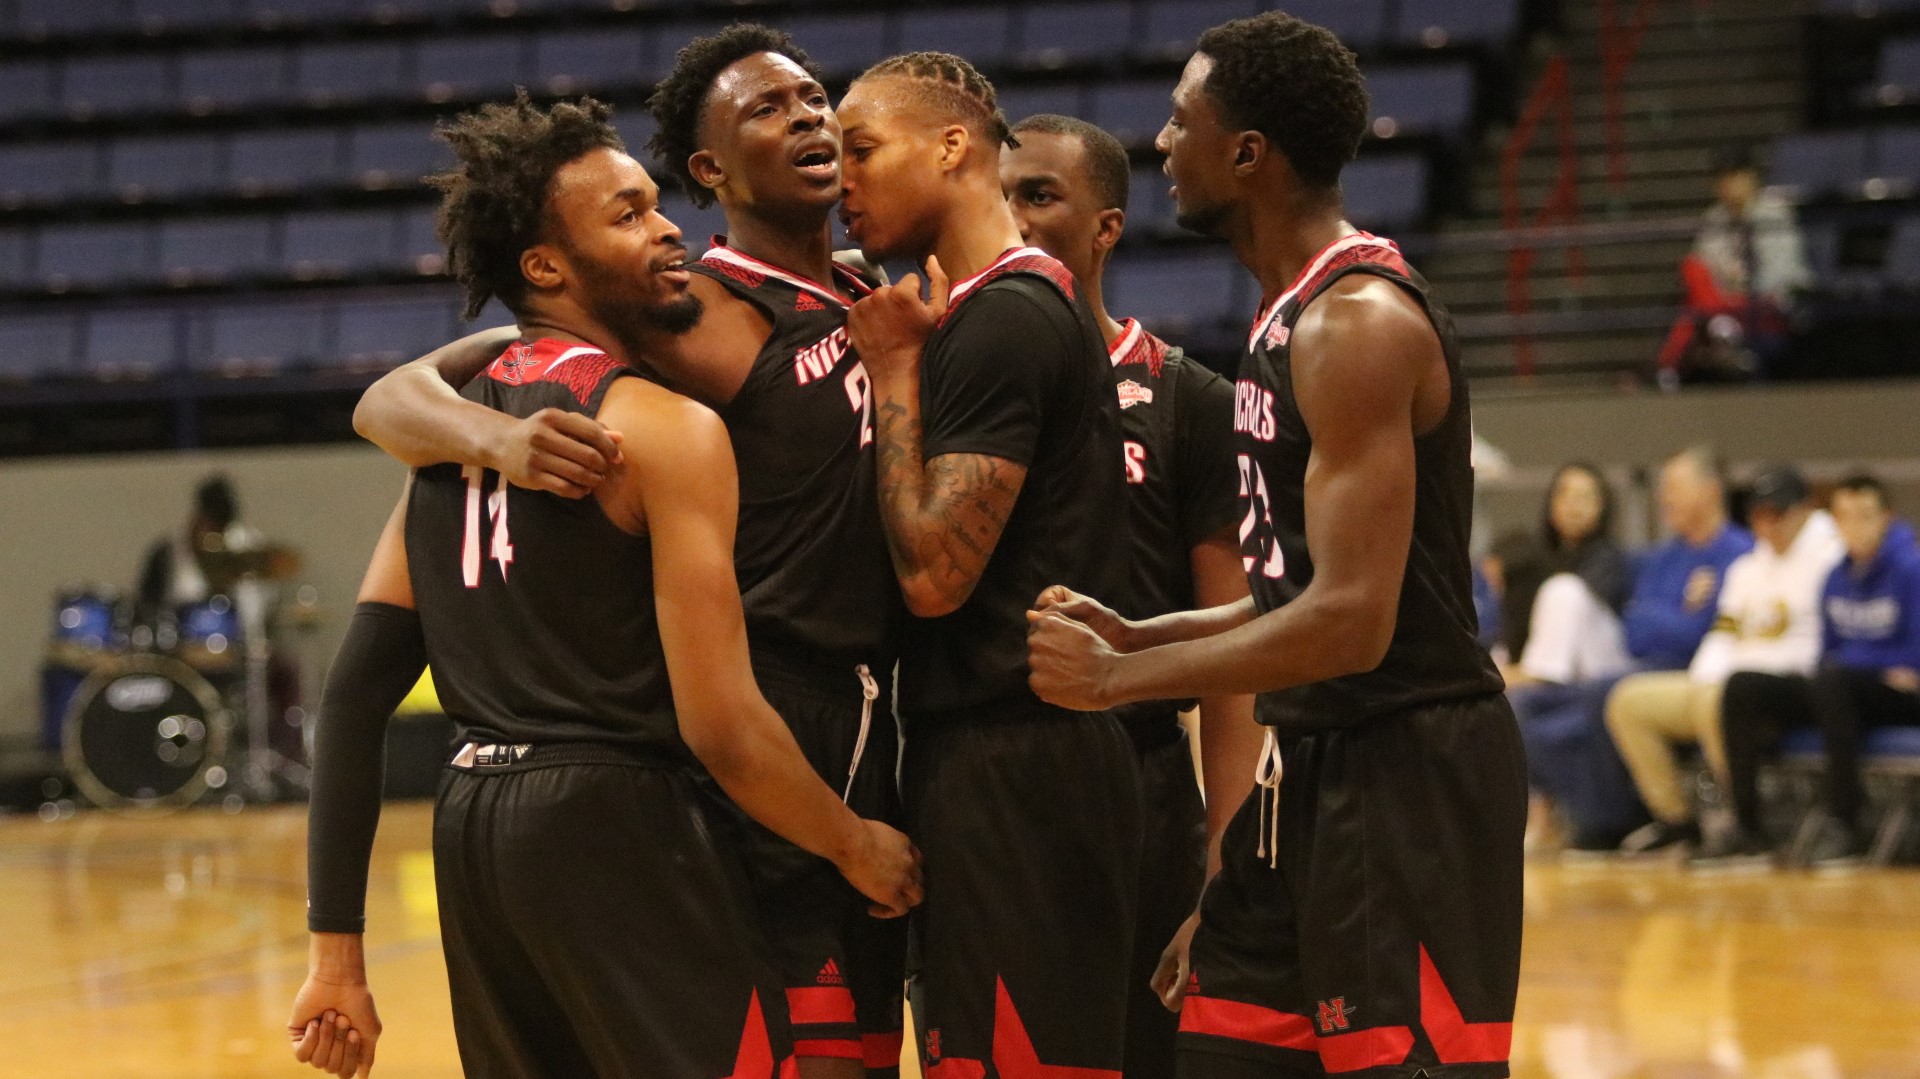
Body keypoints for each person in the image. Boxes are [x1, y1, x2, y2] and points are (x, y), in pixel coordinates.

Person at [288, 95, 920, 1079]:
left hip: (473, 826)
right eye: (626, 214)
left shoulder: (438, 450)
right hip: (617, 819)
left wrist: (337, 954)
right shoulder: (664, 432)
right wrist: (855, 843)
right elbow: (725, 728)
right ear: (545, 265)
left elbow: (355, 694)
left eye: (655, 203)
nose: (668, 225)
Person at [1024, 13, 1524, 1076]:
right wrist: (1144, 625)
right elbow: (1292, 592)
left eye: (1179, 121)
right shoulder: (1282, 318)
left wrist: (1126, 675)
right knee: (1219, 1050)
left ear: (1247, 154)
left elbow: (1350, 621)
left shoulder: (1357, 325)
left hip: (1408, 770)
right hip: (1303, 771)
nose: (1162, 144)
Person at [836, 52, 1142, 1076]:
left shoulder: (1006, 315)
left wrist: (892, 375)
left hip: (1021, 762)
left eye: (863, 149)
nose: (843, 178)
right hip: (1011, 759)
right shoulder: (999, 306)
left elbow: (933, 573)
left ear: (954, 145)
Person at [1001, 111, 1262, 1079]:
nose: (1013, 217)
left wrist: (1223, 878)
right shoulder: (946, 374)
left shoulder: (1192, 398)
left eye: (1038, 194)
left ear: (1107, 226)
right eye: (998, 196)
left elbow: (1237, 661)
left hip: (1144, 784)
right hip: (983, 778)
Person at [1512, 448, 1752, 852]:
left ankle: (1615, 819)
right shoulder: (1663, 558)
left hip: (1695, 675)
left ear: (1710, 492)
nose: (1664, 499)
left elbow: (1703, 635)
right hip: (1641, 664)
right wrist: (1674, 617)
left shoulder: (1739, 553)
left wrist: (1662, 619)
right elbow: (1634, 627)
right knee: (1525, 704)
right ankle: (1579, 810)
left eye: (1674, 488)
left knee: (1601, 694)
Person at [1605, 464, 1843, 855]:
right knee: (1629, 700)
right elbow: (1722, 634)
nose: (1767, 524)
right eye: (1758, 514)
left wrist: (1730, 678)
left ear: (1803, 510)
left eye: (1776, 513)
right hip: (1729, 681)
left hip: (1786, 686)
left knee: (1723, 696)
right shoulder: (1747, 567)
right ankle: (1678, 820)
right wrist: (1706, 676)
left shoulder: (1829, 561)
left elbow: (1819, 641)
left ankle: (1745, 822)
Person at [1702, 474, 1920, 869]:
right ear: (1834, 521)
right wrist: (1867, 661)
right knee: (1743, 686)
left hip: (1905, 694)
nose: (1855, 527)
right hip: (1852, 686)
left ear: (1886, 518)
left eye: (1865, 516)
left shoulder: (1911, 569)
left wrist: (1858, 662)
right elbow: (1827, 652)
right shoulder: (1836, 577)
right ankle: (1748, 827)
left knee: (1833, 680)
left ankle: (1846, 824)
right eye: (1845, 517)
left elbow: (1914, 652)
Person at [1657, 145, 1812, 385]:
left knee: (1705, 318)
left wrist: (1732, 293)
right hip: (1723, 308)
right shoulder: (1714, 219)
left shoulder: (1774, 215)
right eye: (1722, 177)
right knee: (1693, 271)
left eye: (1734, 175)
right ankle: (1722, 339)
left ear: (1751, 177)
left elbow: (1778, 278)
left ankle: (1669, 367)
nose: (1728, 184)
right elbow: (1703, 271)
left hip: (1770, 310)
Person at [1496, 462, 1633, 687]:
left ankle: (1538, 677)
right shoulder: (1535, 558)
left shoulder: (1609, 557)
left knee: (1564, 590)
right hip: (1536, 658)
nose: (1574, 506)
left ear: (1602, 507)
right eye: (1565, 495)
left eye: (1584, 497)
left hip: (1601, 663)